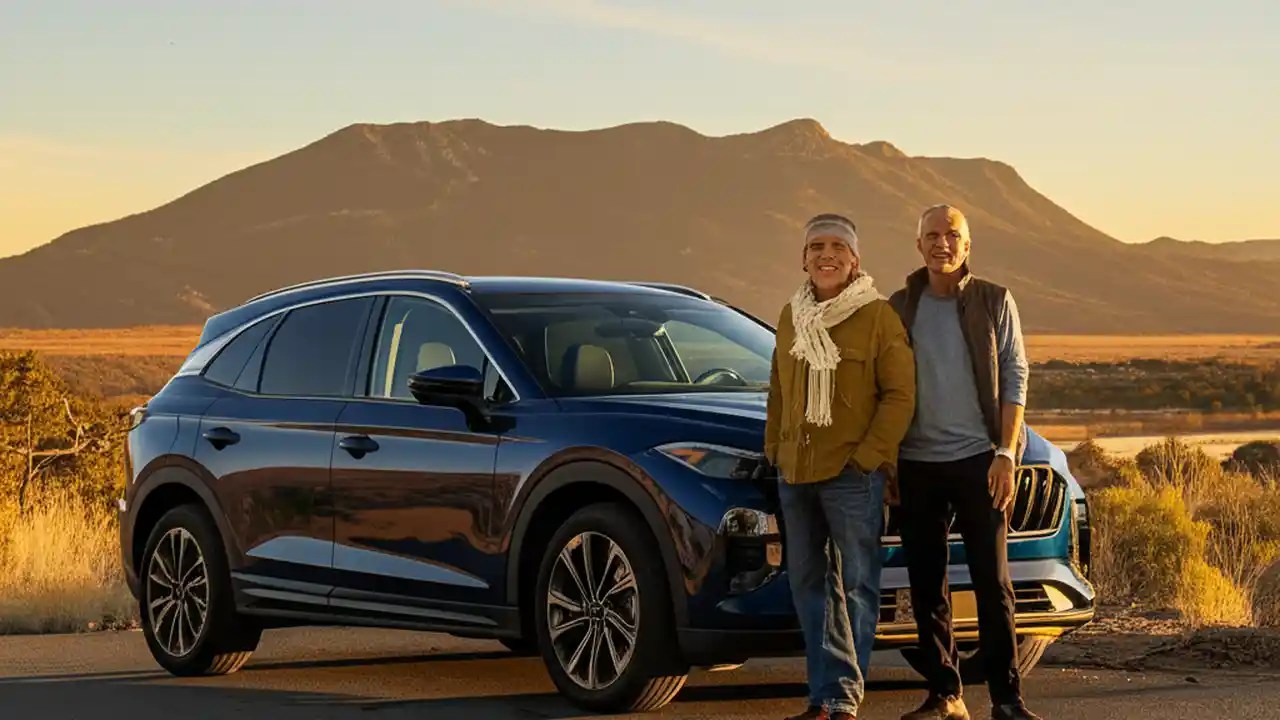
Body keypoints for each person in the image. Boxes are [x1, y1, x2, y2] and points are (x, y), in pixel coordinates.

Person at [763, 212, 916, 720]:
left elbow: (899, 395)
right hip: (796, 473)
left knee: (855, 585)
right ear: (803, 258)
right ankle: (821, 696)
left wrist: (869, 458)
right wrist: (775, 451)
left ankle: (842, 697)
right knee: (809, 584)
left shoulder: (877, 316)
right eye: (816, 247)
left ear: (855, 260)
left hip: (852, 475)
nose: (826, 255)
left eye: (837, 248)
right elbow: (779, 390)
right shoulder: (791, 315)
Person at [887, 204, 1038, 720]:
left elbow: (1015, 376)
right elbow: (884, 386)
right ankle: (945, 694)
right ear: (919, 245)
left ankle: (1007, 699)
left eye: (952, 235)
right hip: (916, 464)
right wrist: (888, 461)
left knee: (991, 581)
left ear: (967, 246)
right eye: (931, 235)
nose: (942, 243)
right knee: (927, 584)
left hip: (980, 461)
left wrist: (1005, 453)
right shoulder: (899, 305)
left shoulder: (994, 301)